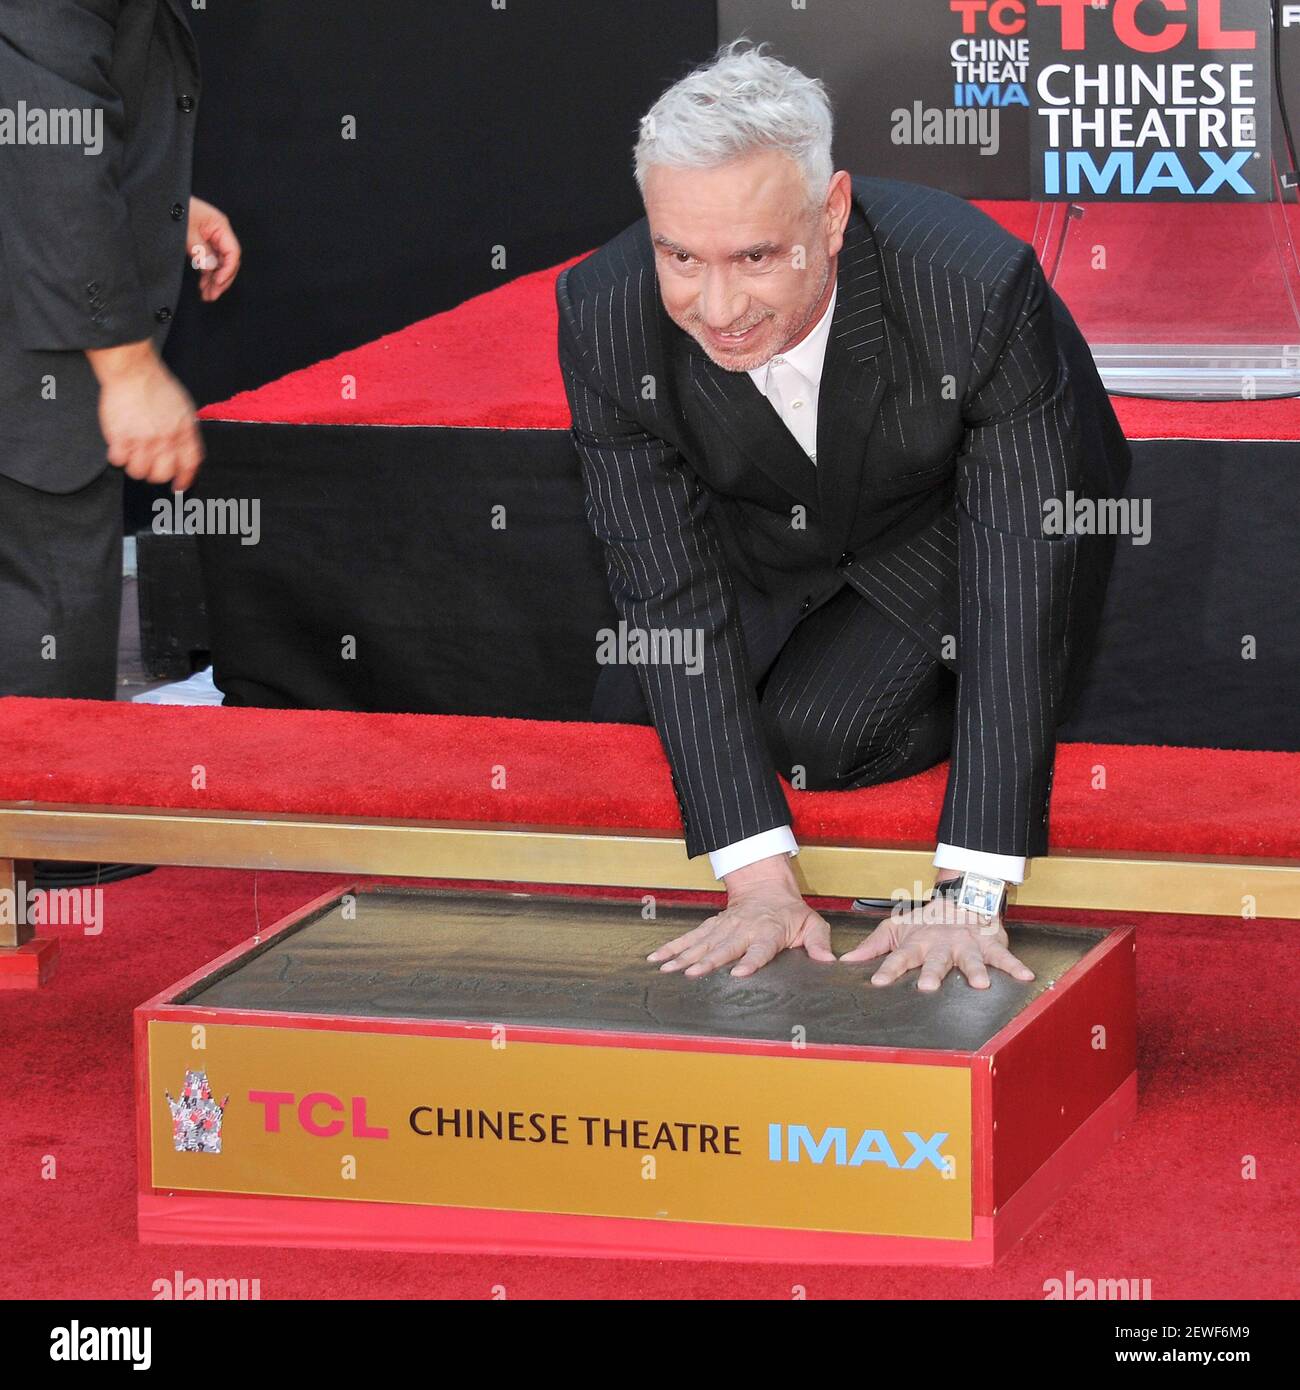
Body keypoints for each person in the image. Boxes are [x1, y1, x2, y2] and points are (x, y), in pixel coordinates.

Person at [555, 40, 1132, 991]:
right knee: (636, 706)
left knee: (826, 730)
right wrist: (756, 882)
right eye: (680, 256)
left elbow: (1016, 572)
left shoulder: (972, 287)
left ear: (831, 217)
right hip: (779, 514)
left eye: (754, 256)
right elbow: (662, 580)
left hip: (966, 507)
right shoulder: (604, 311)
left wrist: (968, 890)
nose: (717, 304)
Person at [0, 0, 240, 888]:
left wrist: (154, 204)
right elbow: (48, 147)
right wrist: (127, 364)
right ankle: (37, 858)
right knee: (44, 578)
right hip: (30, 346)